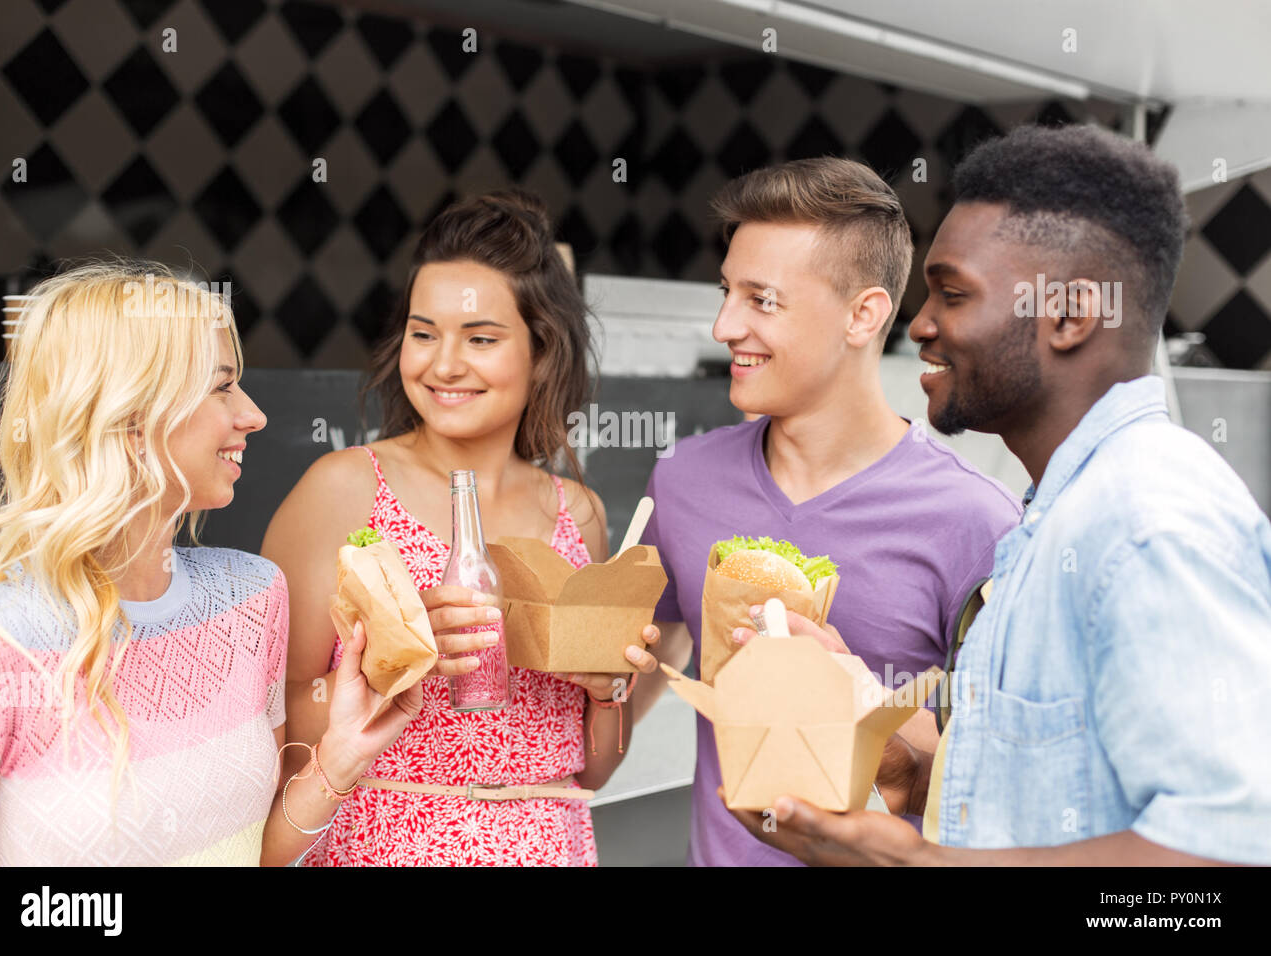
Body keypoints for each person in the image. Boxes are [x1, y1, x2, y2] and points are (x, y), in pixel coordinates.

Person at [729, 124, 1271, 865]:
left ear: (1072, 315)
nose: (918, 324)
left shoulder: (1148, 521)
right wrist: (899, 761)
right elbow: (1043, 804)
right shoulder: (1051, 521)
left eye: (951, 294)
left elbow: (1224, 862)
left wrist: (918, 865)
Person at [0, 261, 451, 866]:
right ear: (129, 414)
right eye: (221, 385)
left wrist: (342, 754)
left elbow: (259, 858)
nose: (253, 414)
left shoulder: (251, 596)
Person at [629, 157, 1023, 866]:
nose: (724, 325)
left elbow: (998, 770)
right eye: (727, 292)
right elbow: (662, 640)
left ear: (863, 314)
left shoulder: (977, 523)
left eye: (762, 300)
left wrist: (870, 720)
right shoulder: (683, 480)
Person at [263, 190, 659, 867]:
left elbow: (591, 771)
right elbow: (278, 712)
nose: (443, 365)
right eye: (423, 333)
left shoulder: (579, 513)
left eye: (480, 339)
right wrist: (396, 664)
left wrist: (605, 690)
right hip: (384, 845)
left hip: (552, 847)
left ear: (542, 352)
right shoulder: (345, 489)